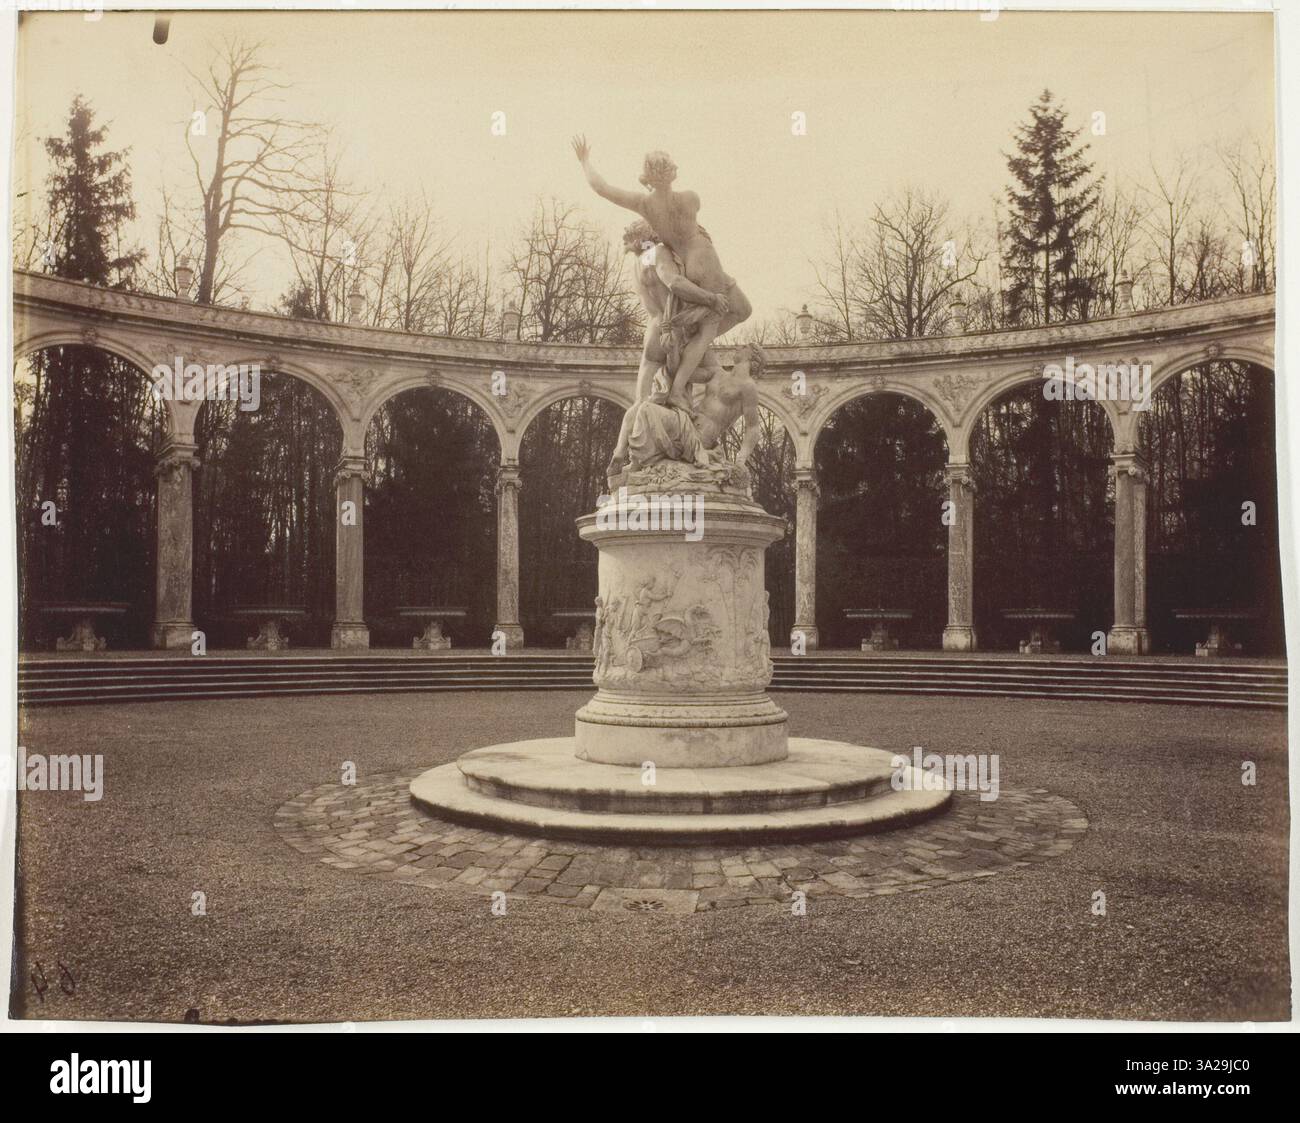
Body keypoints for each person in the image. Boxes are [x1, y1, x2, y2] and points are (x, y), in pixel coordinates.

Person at [573, 137, 752, 412]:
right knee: (728, 318)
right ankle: (679, 388)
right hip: (706, 259)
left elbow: (602, 188)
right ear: (672, 171)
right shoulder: (691, 198)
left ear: (648, 175)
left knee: (715, 325)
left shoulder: (645, 205)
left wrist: (585, 161)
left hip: (690, 269)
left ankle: (685, 364)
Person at [608, 218, 727, 475]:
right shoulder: (657, 253)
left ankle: (621, 452)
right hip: (673, 328)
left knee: (641, 400)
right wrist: (711, 299)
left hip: (651, 332)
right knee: (691, 386)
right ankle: (685, 452)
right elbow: (674, 283)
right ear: (650, 234)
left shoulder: (636, 265)